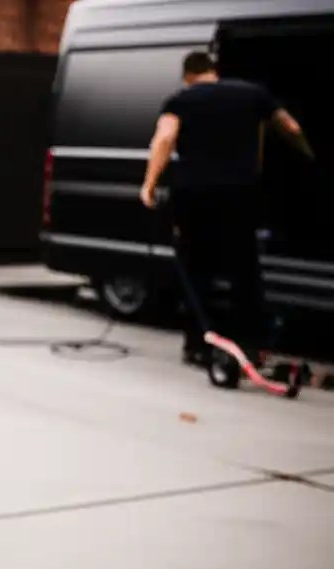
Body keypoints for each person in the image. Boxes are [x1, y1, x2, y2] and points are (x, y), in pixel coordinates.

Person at [140, 51, 313, 366]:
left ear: (188, 75)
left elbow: (164, 139)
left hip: (195, 197)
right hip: (241, 195)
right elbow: (291, 128)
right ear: (213, 71)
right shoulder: (253, 94)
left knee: (196, 269)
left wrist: (149, 185)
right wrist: (310, 160)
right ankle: (251, 345)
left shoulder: (180, 100)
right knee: (245, 269)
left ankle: (199, 345)